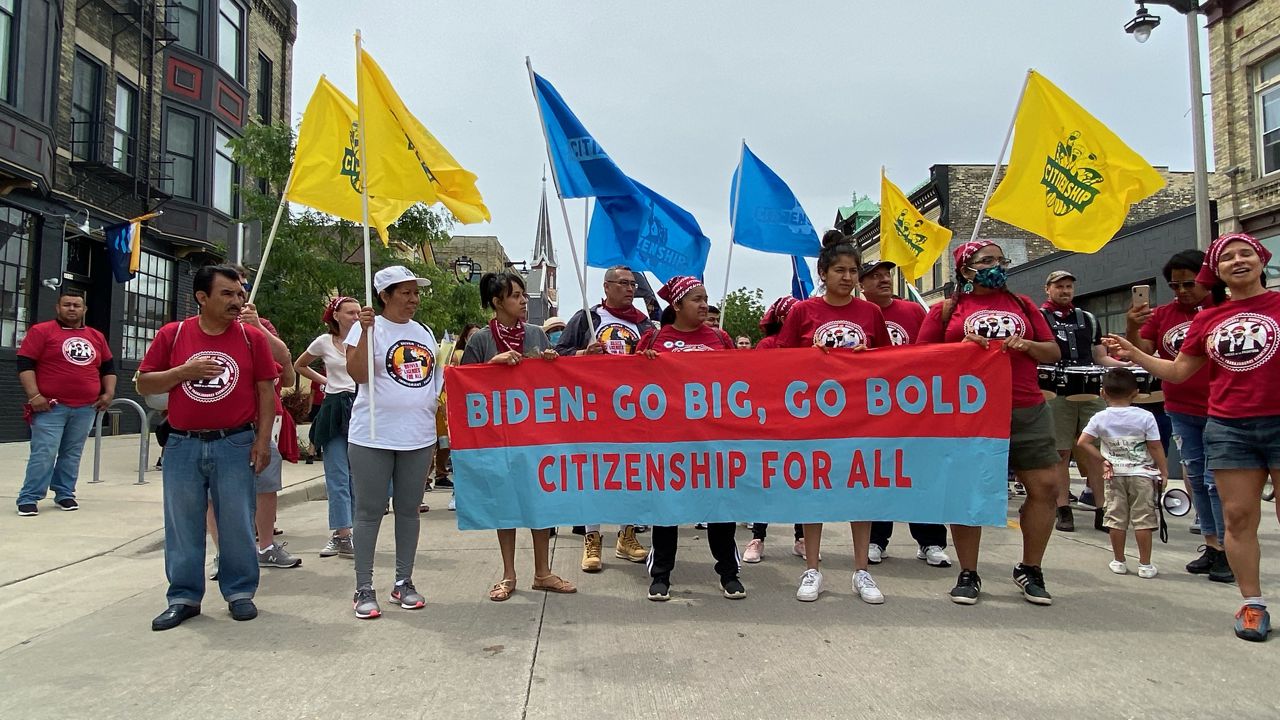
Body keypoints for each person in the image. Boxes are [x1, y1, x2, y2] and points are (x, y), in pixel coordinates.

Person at [1104, 232, 1280, 642]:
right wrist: (1136, 354)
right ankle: (1252, 604)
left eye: (1246, 254)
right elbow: (1179, 372)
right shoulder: (1207, 319)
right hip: (1229, 426)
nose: (1238, 261)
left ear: (1260, 261)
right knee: (1237, 518)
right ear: (1216, 272)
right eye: (1228, 257)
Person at [917, 240, 1062, 606]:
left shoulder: (1023, 305)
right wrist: (959, 349)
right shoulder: (947, 311)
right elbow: (918, 360)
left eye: (1001, 260)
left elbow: (1053, 351)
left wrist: (1026, 345)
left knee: (1045, 487)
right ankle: (968, 572)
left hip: (1026, 406)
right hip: (971, 412)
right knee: (969, 492)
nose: (997, 265)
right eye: (987, 261)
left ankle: (1030, 568)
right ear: (966, 270)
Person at [138, 264, 277, 631]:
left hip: (234, 442)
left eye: (240, 293)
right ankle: (183, 597)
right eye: (227, 294)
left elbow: (267, 391)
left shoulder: (252, 339)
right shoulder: (174, 334)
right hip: (182, 444)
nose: (238, 301)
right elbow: (145, 384)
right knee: (182, 524)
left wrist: (262, 442)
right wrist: (183, 372)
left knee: (236, 522)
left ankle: (240, 592)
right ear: (202, 297)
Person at [778, 230, 892, 604]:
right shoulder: (802, 312)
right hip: (813, 416)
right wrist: (808, 357)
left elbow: (892, 364)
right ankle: (812, 567)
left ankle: (862, 571)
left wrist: (868, 354)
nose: (847, 277)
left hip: (860, 416)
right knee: (815, 492)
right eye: (839, 270)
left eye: (853, 270)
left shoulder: (871, 313)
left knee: (861, 489)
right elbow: (777, 362)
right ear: (823, 273)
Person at [464, 270, 577, 602]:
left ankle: (543, 572)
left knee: (537, 502)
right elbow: (464, 385)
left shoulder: (535, 335)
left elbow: (552, 386)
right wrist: (492, 364)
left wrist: (551, 363)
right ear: (497, 302)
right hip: (497, 437)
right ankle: (508, 574)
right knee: (505, 504)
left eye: (524, 295)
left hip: (534, 435)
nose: (523, 301)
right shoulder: (481, 340)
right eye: (515, 296)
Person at [1125, 250, 1231, 581]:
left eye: (1189, 283)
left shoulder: (1226, 312)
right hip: (1181, 408)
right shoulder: (1165, 314)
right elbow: (1141, 352)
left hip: (1222, 409)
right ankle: (1212, 546)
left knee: (1218, 482)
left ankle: (1230, 550)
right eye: (1174, 285)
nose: (1182, 291)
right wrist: (1131, 325)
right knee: (1197, 478)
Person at [636, 275, 744, 601]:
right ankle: (661, 575)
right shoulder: (654, 339)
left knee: (719, 508)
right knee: (667, 507)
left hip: (713, 440)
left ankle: (728, 572)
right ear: (678, 304)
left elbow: (741, 382)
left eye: (706, 298)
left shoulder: (720, 338)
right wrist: (645, 366)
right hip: (669, 441)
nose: (704, 305)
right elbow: (631, 384)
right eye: (697, 299)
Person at [344, 266, 443, 619]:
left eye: (416, 293)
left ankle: (404, 581)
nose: (413, 299)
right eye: (405, 293)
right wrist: (368, 333)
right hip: (373, 434)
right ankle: (363, 587)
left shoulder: (424, 332)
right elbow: (357, 374)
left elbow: (434, 379)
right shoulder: (364, 328)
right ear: (384, 296)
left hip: (417, 436)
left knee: (409, 510)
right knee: (369, 512)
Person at [554, 265, 653, 572]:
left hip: (631, 412)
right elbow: (558, 354)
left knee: (629, 474)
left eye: (633, 284)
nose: (630, 288)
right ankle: (593, 537)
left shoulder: (645, 324)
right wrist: (583, 355)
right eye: (623, 283)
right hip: (592, 410)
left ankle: (626, 536)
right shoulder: (588, 318)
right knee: (593, 474)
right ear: (607, 286)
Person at [857, 260, 951, 568]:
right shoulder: (858, 315)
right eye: (875, 277)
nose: (885, 280)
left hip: (914, 406)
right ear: (862, 285)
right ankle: (875, 539)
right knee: (878, 474)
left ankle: (931, 541)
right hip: (872, 408)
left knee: (921, 473)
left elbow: (931, 350)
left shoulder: (912, 311)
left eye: (887, 275)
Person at [16, 288, 116, 516]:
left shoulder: (96, 336)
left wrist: (108, 393)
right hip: (50, 406)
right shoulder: (42, 331)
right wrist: (34, 396)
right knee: (45, 452)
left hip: (86, 407)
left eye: (76, 305)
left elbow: (108, 368)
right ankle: (29, 497)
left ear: (84, 309)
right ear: (58, 308)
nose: (72, 309)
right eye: (67, 304)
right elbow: (24, 365)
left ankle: (65, 493)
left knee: (72, 453)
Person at [1041, 270, 1125, 533]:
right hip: (1056, 390)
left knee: (1096, 451)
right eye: (1059, 286)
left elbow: (1099, 356)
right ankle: (1063, 508)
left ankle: (1103, 509)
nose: (1065, 291)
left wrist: (1129, 363)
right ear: (1048, 289)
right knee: (1060, 452)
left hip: (1090, 390)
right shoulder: (1039, 317)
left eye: (1069, 286)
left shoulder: (1087, 318)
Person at [1075, 369, 1168, 579]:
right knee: (1143, 519)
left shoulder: (1100, 417)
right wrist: (1163, 470)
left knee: (1116, 518)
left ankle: (1119, 560)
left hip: (1114, 474)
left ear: (1103, 393)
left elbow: (1083, 442)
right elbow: (1155, 446)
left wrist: (1103, 460)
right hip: (1142, 474)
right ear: (1135, 393)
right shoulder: (1146, 416)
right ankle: (1145, 563)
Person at [742, 295, 808, 564]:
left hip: (803, 423)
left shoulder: (808, 344)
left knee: (802, 482)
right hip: (771, 422)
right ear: (782, 318)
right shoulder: (767, 345)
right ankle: (758, 537)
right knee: (767, 482)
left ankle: (802, 538)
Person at [294, 296, 361, 558]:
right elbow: (300, 365)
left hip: (359, 406)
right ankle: (342, 534)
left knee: (357, 475)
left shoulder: (366, 341)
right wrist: (325, 381)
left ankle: (351, 532)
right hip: (334, 407)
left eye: (358, 312)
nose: (356, 317)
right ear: (336, 315)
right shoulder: (324, 342)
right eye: (350, 312)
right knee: (337, 474)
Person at [440, 323, 480, 511]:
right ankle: (457, 493)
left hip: (480, 409)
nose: (475, 338)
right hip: (460, 408)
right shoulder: (457, 356)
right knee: (458, 452)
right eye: (472, 335)